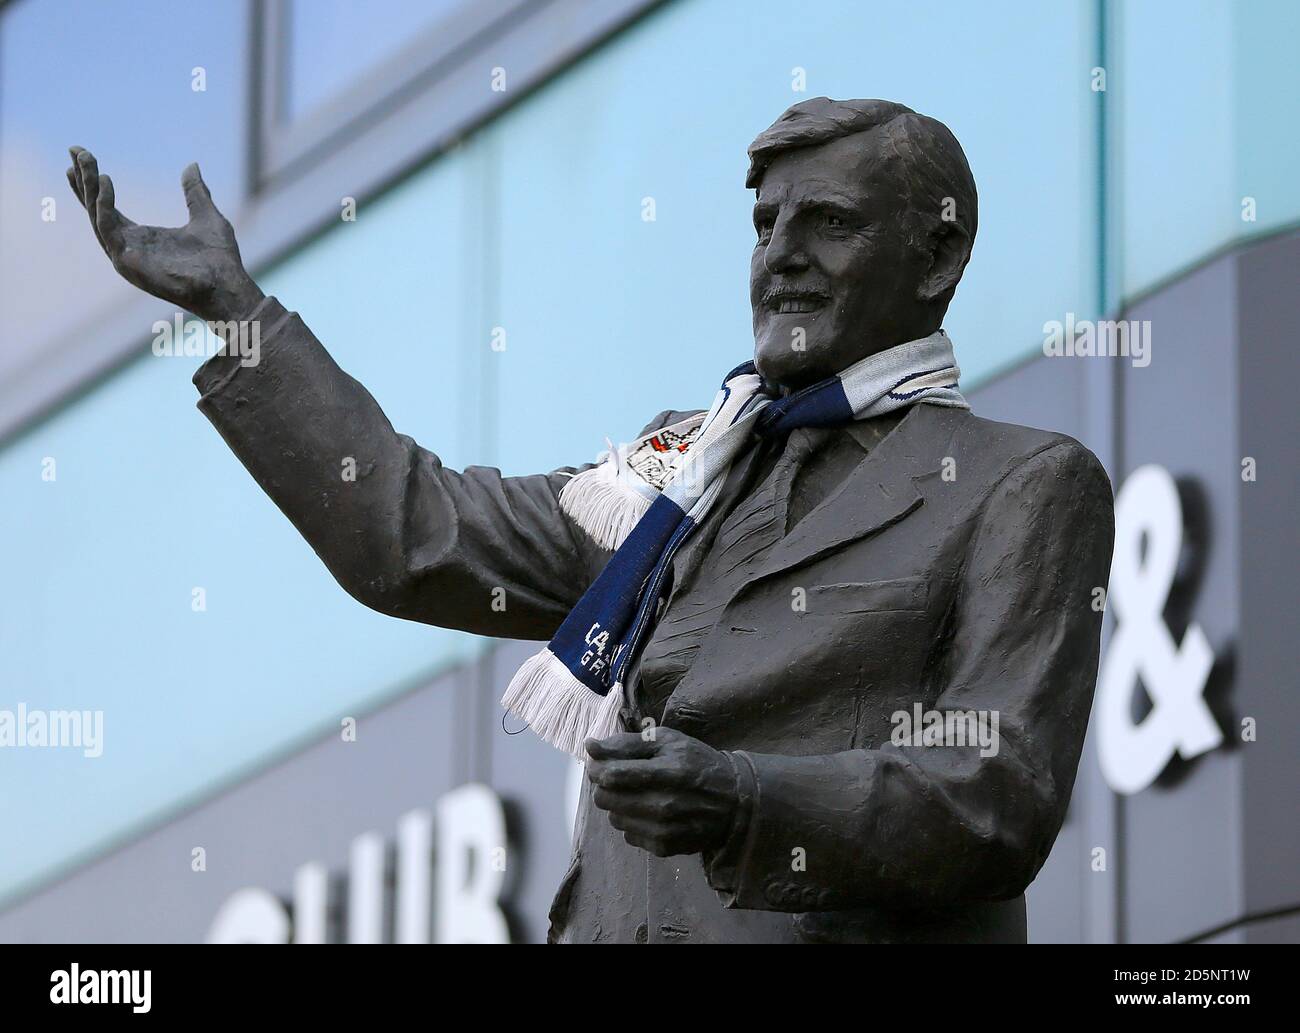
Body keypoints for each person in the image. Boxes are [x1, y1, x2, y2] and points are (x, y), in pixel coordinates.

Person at [67, 98, 1114, 943]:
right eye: (764, 225)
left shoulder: (1018, 484)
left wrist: (746, 801)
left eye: (829, 223)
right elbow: (411, 537)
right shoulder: (675, 473)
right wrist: (240, 321)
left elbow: (995, 792)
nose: (781, 254)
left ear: (935, 258)